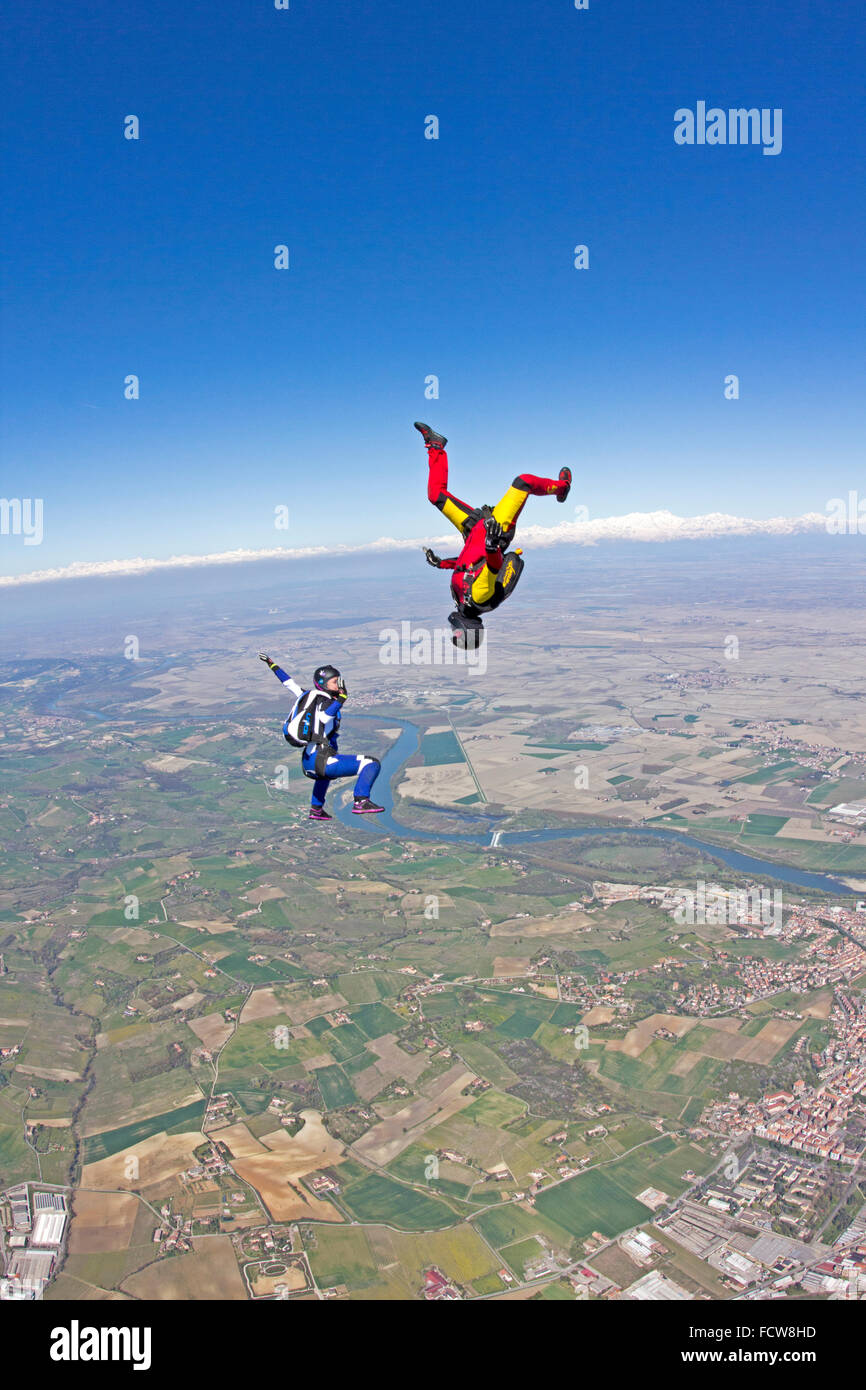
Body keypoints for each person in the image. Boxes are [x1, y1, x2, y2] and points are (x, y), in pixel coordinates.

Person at [415, 422, 571, 647]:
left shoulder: (463, 601)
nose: (453, 630)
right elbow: (493, 567)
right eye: (457, 634)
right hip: (494, 529)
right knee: (523, 482)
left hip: (472, 531)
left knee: (436, 495)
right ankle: (562, 487)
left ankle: (436, 446)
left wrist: (442, 564)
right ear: (466, 630)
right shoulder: (478, 598)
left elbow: (468, 567)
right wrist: (491, 545)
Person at [259, 654, 384, 820]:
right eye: (335, 682)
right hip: (323, 760)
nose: (339, 684)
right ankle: (361, 801)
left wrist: (272, 665)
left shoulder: (308, 696)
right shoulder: (326, 702)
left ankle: (316, 809)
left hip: (309, 762)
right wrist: (341, 699)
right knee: (371, 763)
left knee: (325, 777)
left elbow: (288, 683)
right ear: (324, 684)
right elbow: (325, 717)